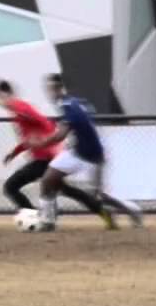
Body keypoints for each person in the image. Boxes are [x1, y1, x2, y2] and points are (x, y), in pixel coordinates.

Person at [0, 79, 115, 229]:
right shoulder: (17, 111)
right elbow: (30, 138)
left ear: (5, 93)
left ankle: (36, 219)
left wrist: (46, 144)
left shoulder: (20, 108)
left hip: (44, 159)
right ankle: (102, 211)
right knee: (67, 190)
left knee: (10, 187)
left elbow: (45, 123)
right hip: (45, 157)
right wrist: (14, 152)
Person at [33, 74, 143, 232]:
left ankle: (133, 210)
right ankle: (47, 221)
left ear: (59, 88)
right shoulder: (75, 102)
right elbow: (84, 121)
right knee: (48, 180)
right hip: (77, 151)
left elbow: (60, 135)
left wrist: (39, 143)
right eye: (48, 89)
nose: (49, 92)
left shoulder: (69, 106)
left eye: (52, 89)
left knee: (99, 197)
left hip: (93, 157)